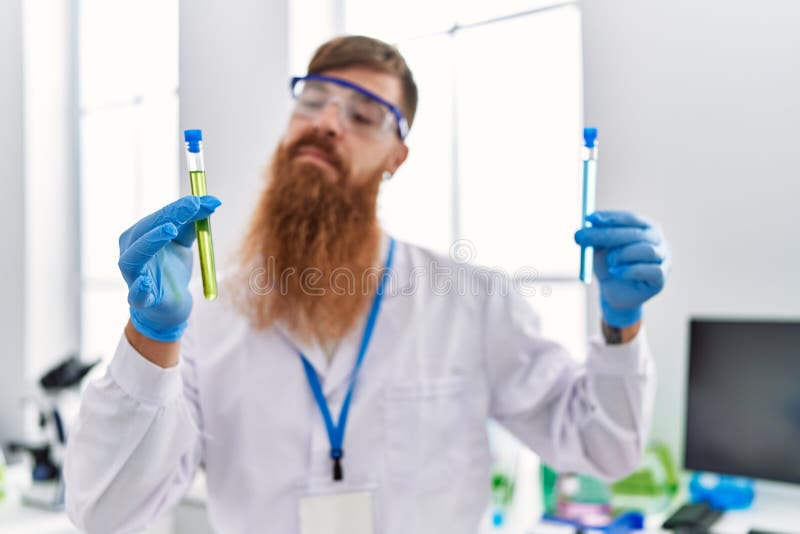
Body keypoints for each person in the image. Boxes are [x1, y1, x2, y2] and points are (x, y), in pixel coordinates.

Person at [64, 35, 670, 534]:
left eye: (362, 115)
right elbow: (106, 512)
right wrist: (149, 340)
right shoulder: (206, 319)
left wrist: (621, 328)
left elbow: (603, 450)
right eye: (313, 100)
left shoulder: (472, 302)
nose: (328, 122)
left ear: (395, 157)